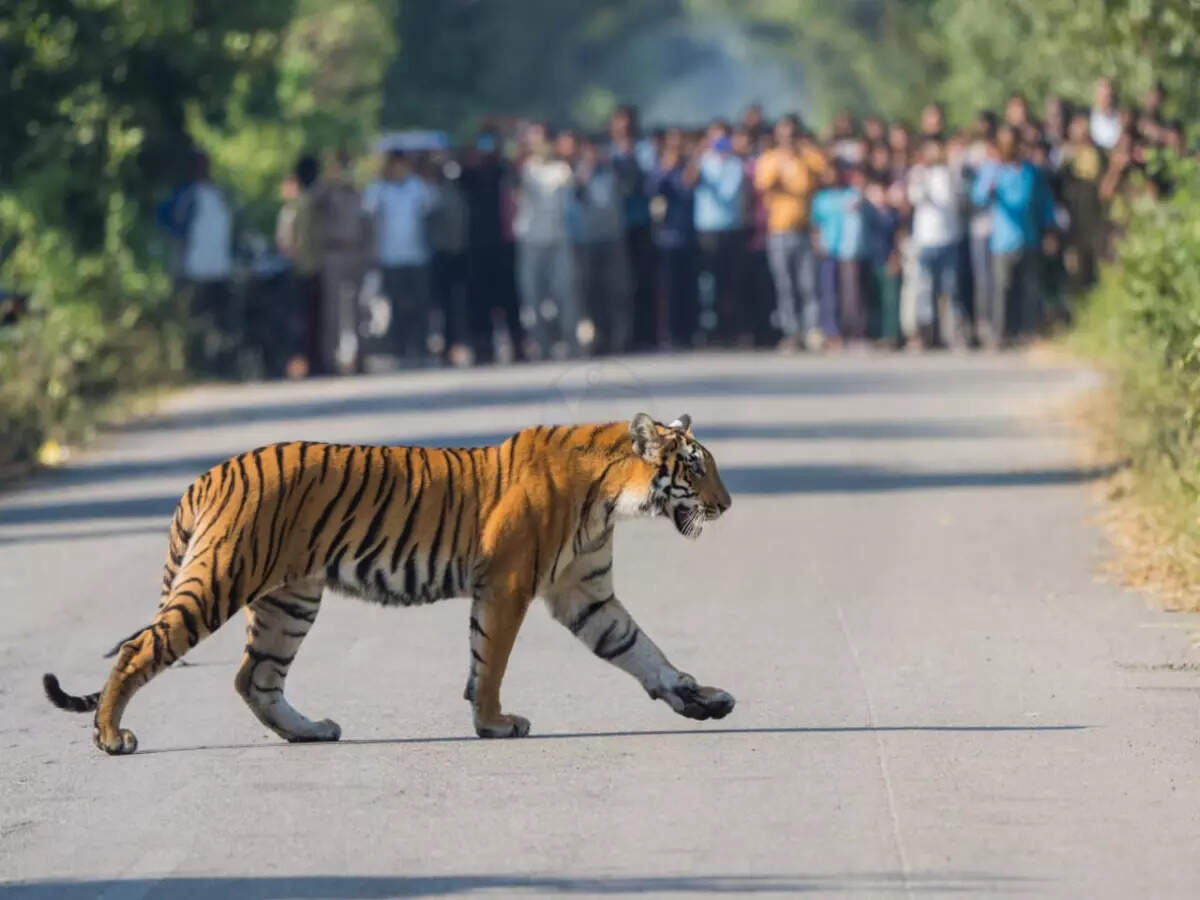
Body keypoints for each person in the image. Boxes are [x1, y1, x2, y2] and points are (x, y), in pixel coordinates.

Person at [160, 150, 236, 376]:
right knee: (195, 322)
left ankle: (217, 366)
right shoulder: (185, 196)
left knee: (219, 322)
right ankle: (195, 367)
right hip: (195, 270)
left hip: (220, 269)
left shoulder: (219, 194)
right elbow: (170, 225)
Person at [363, 149, 437, 367]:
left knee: (420, 303)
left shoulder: (417, 186)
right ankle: (399, 347)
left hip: (417, 255)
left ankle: (421, 346)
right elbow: (367, 212)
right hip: (390, 256)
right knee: (396, 303)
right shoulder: (379, 189)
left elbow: (431, 206)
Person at [755, 114, 821, 351]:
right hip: (779, 231)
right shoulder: (769, 159)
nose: (788, 139)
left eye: (792, 134)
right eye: (783, 134)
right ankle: (791, 332)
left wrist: (798, 158)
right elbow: (764, 185)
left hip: (804, 229)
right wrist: (783, 164)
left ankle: (812, 329)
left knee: (808, 283)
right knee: (785, 285)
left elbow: (815, 180)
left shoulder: (809, 157)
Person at [513, 123, 578, 358]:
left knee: (565, 293)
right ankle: (542, 346)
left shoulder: (562, 170)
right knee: (533, 297)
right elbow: (517, 187)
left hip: (559, 239)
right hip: (531, 240)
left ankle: (572, 343)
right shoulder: (525, 169)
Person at [971, 126, 1040, 347]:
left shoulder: (1029, 171)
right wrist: (989, 188)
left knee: (1028, 289)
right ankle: (1000, 334)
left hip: (1028, 237)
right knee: (1002, 289)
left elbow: (1035, 201)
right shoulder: (992, 170)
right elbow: (978, 196)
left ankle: (1028, 332)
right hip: (1002, 240)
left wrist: (1049, 228)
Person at [566, 135, 632, 355]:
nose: (592, 156)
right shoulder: (576, 175)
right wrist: (581, 180)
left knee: (616, 290)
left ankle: (620, 339)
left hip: (612, 239)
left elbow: (628, 190)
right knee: (590, 293)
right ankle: (597, 339)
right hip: (586, 242)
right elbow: (573, 202)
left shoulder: (612, 173)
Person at [461, 130, 520, 362]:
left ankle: (518, 344)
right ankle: (483, 348)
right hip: (476, 245)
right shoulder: (467, 175)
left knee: (509, 298)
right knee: (479, 300)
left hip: (504, 243)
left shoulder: (504, 171)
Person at [312, 150, 371, 374]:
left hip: (355, 253)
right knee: (332, 311)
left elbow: (367, 225)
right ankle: (330, 359)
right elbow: (313, 205)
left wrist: (368, 253)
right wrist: (329, 180)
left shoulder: (358, 194)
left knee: (360, 309)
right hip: (333, 252)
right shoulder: (325, 194)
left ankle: (361, 357)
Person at [691, 124, 747, 345]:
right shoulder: (703, 162)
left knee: (730, 281)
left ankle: (730, 328)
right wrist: (697, 157)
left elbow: (727, 195)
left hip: (731, 228)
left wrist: (725, 157)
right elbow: (689, 181)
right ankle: (710, 329)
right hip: (707, 229)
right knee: (708, 281)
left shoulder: (735, 164)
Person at [908, 138, 966, 349]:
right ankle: (926, 336)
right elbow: (914, 197)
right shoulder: (918, 173)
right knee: (924, 291)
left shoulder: (950, 173)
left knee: (950, 290)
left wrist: (952, 171)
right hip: (925, 239)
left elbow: (951, 200)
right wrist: (921, 179)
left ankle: (954, 335)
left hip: (948, 237)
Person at [610, 105, 658, 351]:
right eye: (619, 121)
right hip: (613, 228)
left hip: (640, 223)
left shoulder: (644, 150)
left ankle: (647, 334)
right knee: (619, 284)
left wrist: (631, 160)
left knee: (644, 280)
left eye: (628, 122)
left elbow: (649, 180)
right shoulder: (607, 152)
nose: (624, 127)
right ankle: (622, 335)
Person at [648, 128, 697, 349]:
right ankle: (671, 332)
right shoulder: (662, 171)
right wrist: (666, 169)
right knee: (670, 289)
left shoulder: (690, 169)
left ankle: (690, 331)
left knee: (690, 287)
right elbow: (651, 190)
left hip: (691, 236)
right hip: (669, 237)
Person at [426, 153, 472, 365]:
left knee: (460, 305)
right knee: (442, 305)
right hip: (442, 255)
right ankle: (445, 345)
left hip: (461, 255)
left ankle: (460, 344)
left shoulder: (463, 194)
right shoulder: (435, 195)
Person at [864, 177, 902, 346]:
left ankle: (891, 335)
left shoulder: (894, 214)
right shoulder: (868, 213)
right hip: (871, 260)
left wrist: (896, 256)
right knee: (875, 300)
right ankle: (875, 334)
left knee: (890, 299)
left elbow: (898, 237)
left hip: (888, 259)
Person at [1090, 77, 1122, 150]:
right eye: (1103, 94)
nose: (1106, 99)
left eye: (1109, 95)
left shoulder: (1120, 118)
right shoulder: (1086, 117)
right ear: (1095, 95)